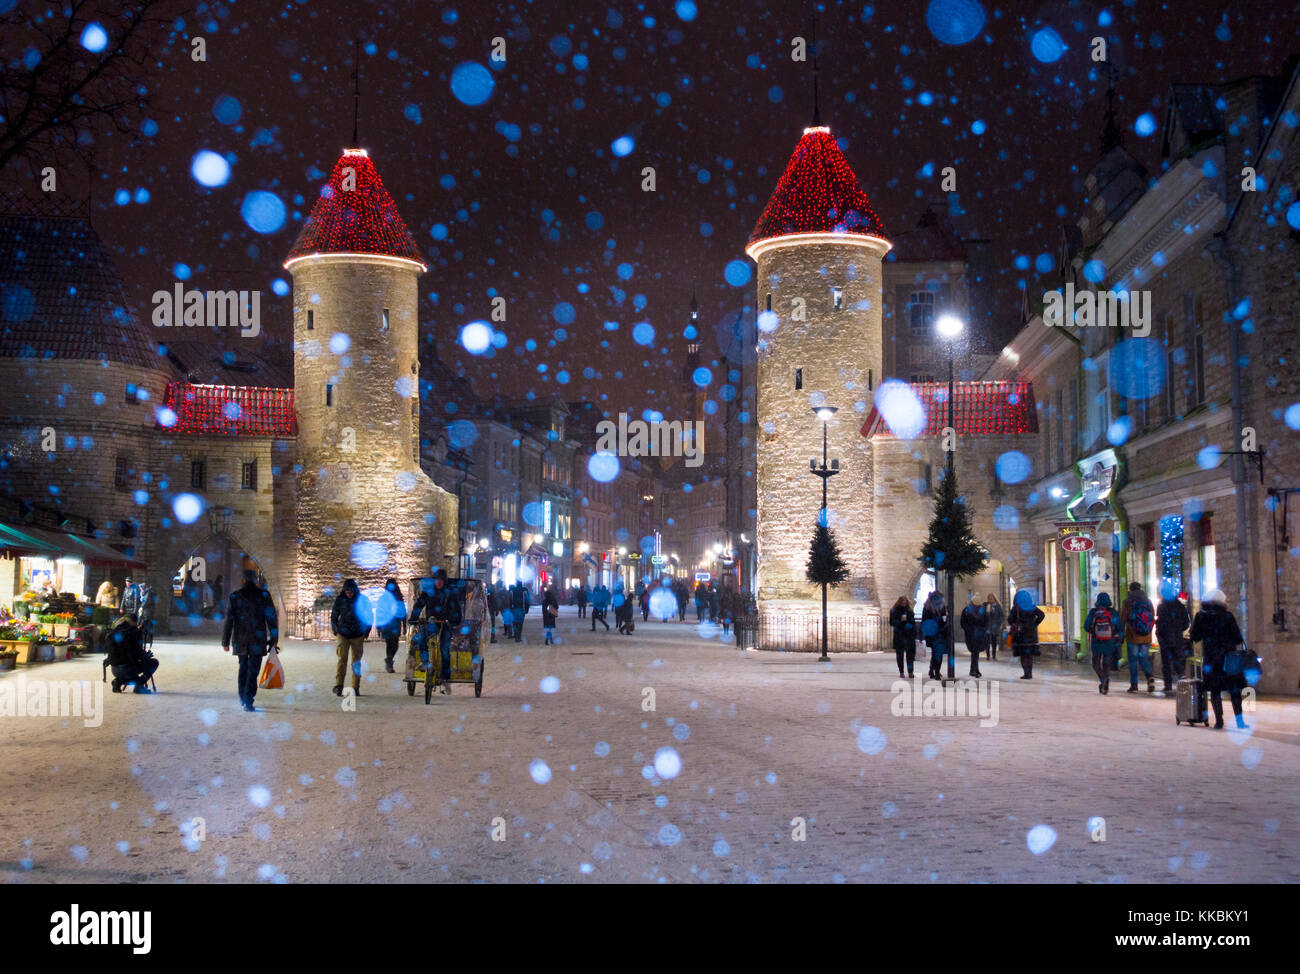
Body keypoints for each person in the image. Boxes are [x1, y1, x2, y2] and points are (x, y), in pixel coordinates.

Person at [1190, 589, 1249, 730]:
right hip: (1229, 659)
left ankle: (1219, 721)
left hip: (1211, 659)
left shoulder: (1201, 616)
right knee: (1234, 690)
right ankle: (1239, 721)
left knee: (1214, 690)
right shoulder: (1227, 616)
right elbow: (1238, 638)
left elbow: (1195, 637)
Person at [221, 569, 278, 711]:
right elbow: (271, 618)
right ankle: (248, 698)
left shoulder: (235, 596)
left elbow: (229, 620)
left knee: (243, 667)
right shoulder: (263, 596)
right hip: (257, 638)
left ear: (243, 580)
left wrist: (225, 641)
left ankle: (243, 696)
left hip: (241, 638)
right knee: (253, 670)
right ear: (256, 580)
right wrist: (274, 638)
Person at [413, 570, 462, 692]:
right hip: (431, 622)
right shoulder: (428, 592)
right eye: (436, 580)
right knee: (422, 636)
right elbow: (419, 604)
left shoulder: (449, 593)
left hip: (445, 623)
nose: (438, 582)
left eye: (441, 580)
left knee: (444, 649)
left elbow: (456, 609)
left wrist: (453, 620)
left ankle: (446, 678)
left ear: (444, 582)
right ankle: (425, 661)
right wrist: (414, 617)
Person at [330, 578, 373, 698]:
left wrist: (366, 631)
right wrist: (335, 628)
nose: (349, 593)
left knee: (356, 662)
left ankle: (355, 687)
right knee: (342, 660)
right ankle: (339, 685)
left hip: (357, 634)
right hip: (343, 634)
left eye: (350, 591)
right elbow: (334, 615)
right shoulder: (340, 600)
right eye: (347, 591)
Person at [1120, 580, 1157, 694]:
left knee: (1133, 660)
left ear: (1130, 590)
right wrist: (1148, 629)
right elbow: (1152, 616)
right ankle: (1149, 676)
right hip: (1146, 635)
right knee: (1144, 657)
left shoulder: (1128, 601)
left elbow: (1123, 617)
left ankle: (1134, 685)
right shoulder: (1147, 601)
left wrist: (1121, 632)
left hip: (1133, 634)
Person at [106, 613, 158, 694]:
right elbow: (136, 652)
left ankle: (118, 681)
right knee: (153, 663)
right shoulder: (134, 632)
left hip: (114, 669)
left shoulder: (114, 631)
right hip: (128, 669)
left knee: (128, 668)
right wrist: (146, 656)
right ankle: (139, 685)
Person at [1083, 592, 1122, 694]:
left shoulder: (1093, 612)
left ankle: (1103, 680)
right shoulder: (1113, 612)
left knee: (1095, 663)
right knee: (1107, 663)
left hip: (1097, 641)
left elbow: (1086, 626)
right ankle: (1105, 680)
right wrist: (1118, 637)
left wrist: (1093, 630)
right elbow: (1119, 627)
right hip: (1110, 640)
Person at [1156, 585, 1191, 695]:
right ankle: (1182, 684)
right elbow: (1186, 623)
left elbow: (1159, 622)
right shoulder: (1180, 606)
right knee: (1178, 661)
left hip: (1165, 638)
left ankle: (1168, 684)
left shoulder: (1162, 606)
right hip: (1177, 637)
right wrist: (1178, 629)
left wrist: (1161, 633)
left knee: (1166, 662)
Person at [1008, 590, 1045, 679]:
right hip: (1031, 634)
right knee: (1029, 655)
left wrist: (1015, 623)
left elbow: (1009, 619)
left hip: (1020, 635)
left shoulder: (1016, 608)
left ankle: (1026, 673)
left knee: (1023, 655)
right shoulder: (1032, 607)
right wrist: (1035, 623)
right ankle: (1030, 672)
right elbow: (1042, 615)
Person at [377, 578, 406, 673]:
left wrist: (404, 623)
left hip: (394, 623)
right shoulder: (385, 597)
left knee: (395, 644)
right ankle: (389, 662)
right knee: (390, 643)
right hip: (387, 623)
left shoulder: (396, 597)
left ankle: (389, 659)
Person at [921, 591, 949, 680]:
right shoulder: (928, 607)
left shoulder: (942, 607)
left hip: (940, 633)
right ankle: (935, 671)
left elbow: (944, 619)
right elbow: (925, 621)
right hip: (933, 633)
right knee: (936, 653)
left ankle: (935, 670)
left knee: (937, 653)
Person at [959, 595, 987, 678]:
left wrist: (968, 629)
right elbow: (986, 621)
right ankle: (974, 670)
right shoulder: (982, 610)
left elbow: (962, 622)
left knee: (975, 652)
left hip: (971, 634)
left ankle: (974, 670)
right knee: (975, 652)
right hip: (978, 634)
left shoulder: (967, 610)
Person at [889, 596, 917, 678]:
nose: (904, 603)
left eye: (905, 602)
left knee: (910, 655)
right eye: (902, 602)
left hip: (909, 636)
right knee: (900, 655)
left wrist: (910, 627)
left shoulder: (909, 611)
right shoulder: (894, 610)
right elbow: (892, 622)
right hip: (900, 635)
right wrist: (901, 621)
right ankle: (901, 671)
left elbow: (913, 622)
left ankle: (910, 671)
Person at [984, 593, 1004, 661]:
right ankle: (987, 655)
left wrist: (998, 623)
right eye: (989, 598)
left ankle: (994, 655)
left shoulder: (998, 606)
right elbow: (983, 615)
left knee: (994, 642)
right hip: (987, 626)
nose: (990, 600)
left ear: (994, 599)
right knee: (987, 642)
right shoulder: (986, 605)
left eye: (991, 598)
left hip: (994, 627)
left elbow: (1001, 616)